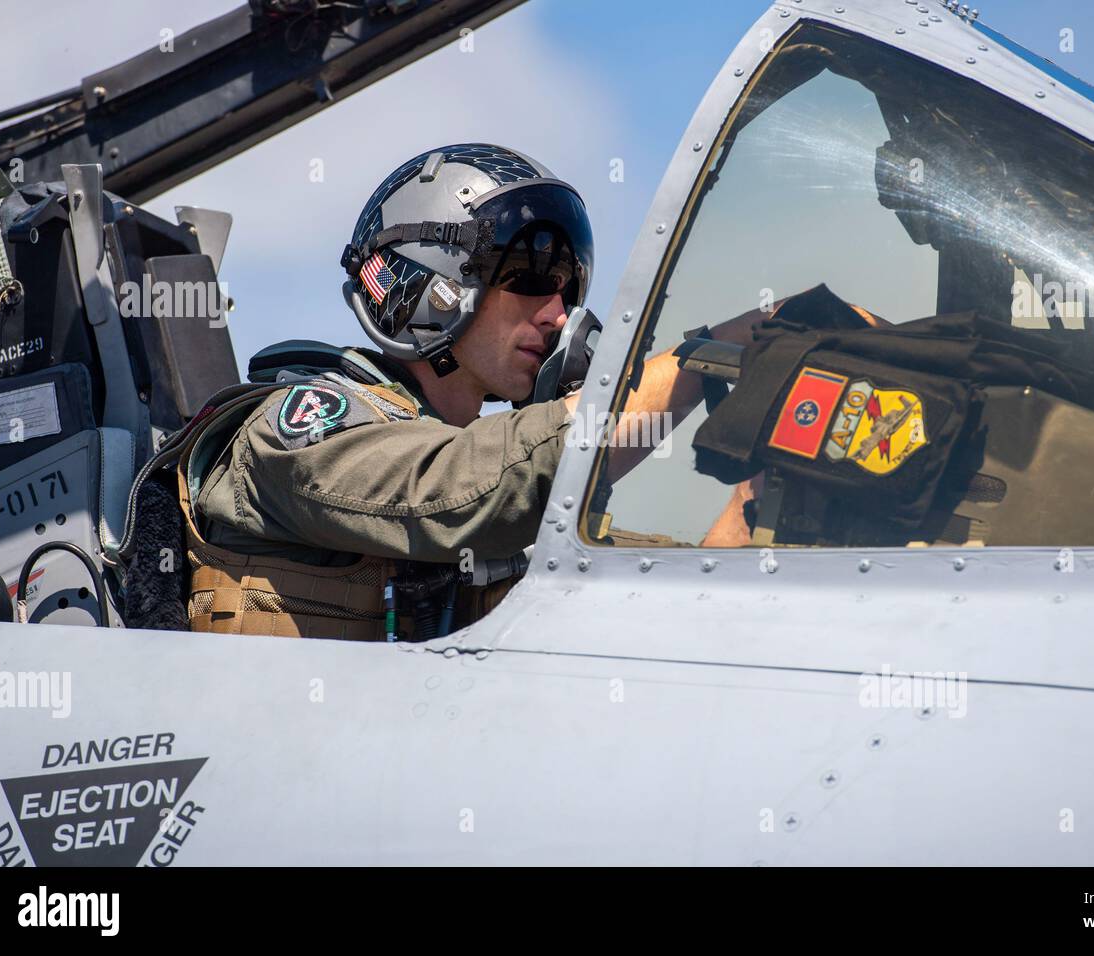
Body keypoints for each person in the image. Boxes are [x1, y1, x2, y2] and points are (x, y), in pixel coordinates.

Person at [177, 143, 755, 641]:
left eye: (568, 285)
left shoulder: (494, 486)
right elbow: (451, 492)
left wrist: (753, 514)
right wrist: (703, 361)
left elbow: (651, 602)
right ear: (440, 286)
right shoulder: (294, 431)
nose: (559, 314)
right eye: (531, 277)